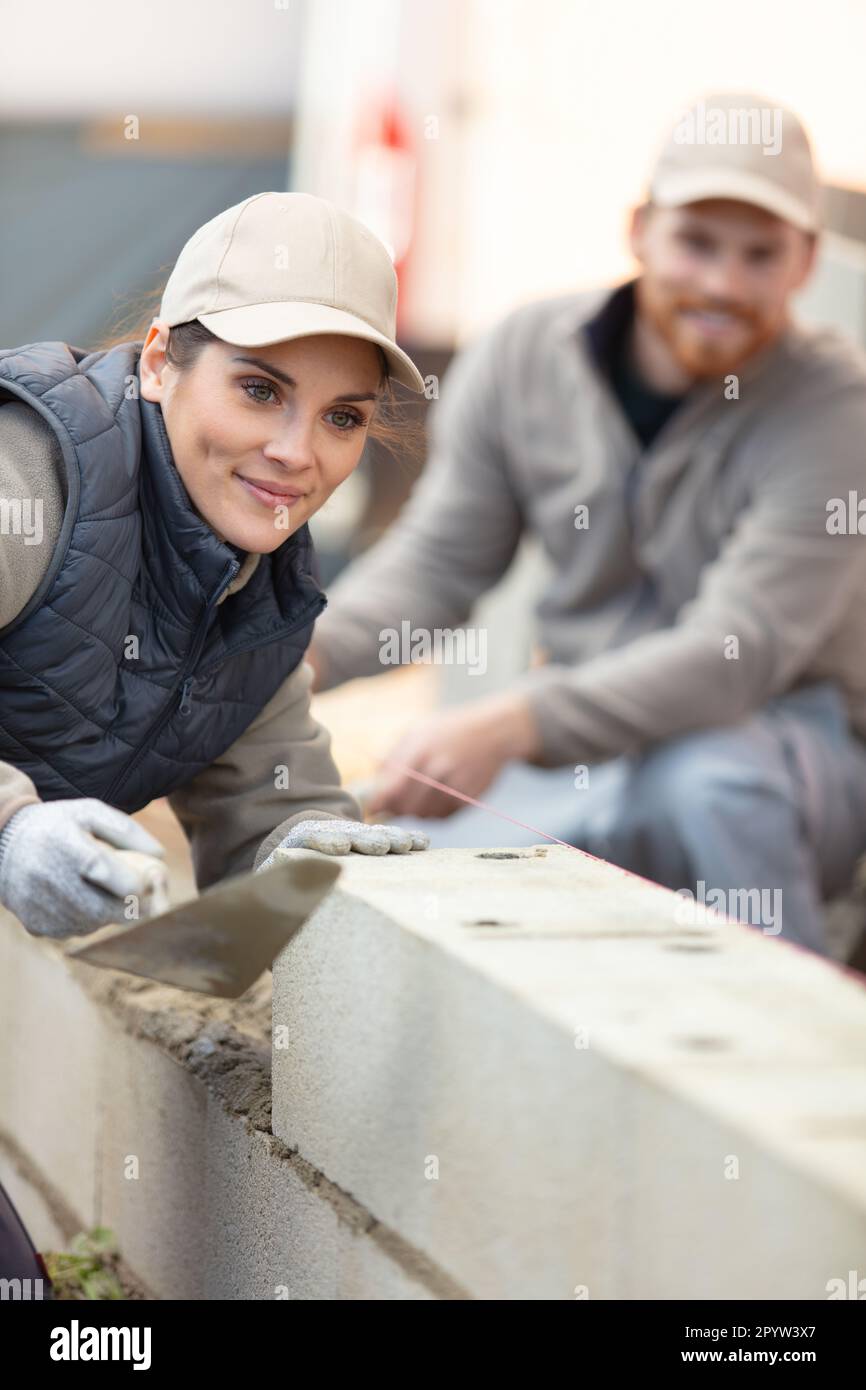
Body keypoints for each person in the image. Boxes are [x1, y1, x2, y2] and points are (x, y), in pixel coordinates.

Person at [306, 93, 866, 955]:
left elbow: (739, 650)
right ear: (639, 229)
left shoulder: (836, 407)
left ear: (805, 264)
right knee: (412, 864)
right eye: (697, 242)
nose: (722, 283)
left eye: (760, 255)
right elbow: (438, 565)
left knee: (708, 788)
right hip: (588, 744)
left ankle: (798, 1047)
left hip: (788, 743)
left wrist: (512, 723)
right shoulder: (527, 353)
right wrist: (301, 656)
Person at [0, 191, 429, 941]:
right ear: (162, 361)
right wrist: (9, 831)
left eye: (343, 417)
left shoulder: (252, 588)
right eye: (260, 391)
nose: (298, 454)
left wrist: (289, 863)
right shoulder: (27, 482)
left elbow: (267, 808)